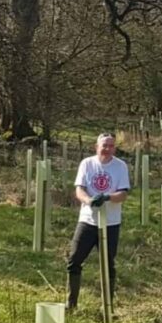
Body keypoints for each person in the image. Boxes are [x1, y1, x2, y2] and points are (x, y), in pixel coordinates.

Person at [66, 133, 131, 310]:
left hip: (110, 223)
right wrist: (89, 200)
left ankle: (107, 306)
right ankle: (71, 303)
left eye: (111, 146)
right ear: (96, 147)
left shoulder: (120, 166)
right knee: (74, 260)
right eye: (104, 146)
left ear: (114, 148)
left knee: (108, 264)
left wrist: (108, 197)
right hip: (87, 220)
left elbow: (123, 194)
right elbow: (79, 190)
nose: (107, 149)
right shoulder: (87, 164)